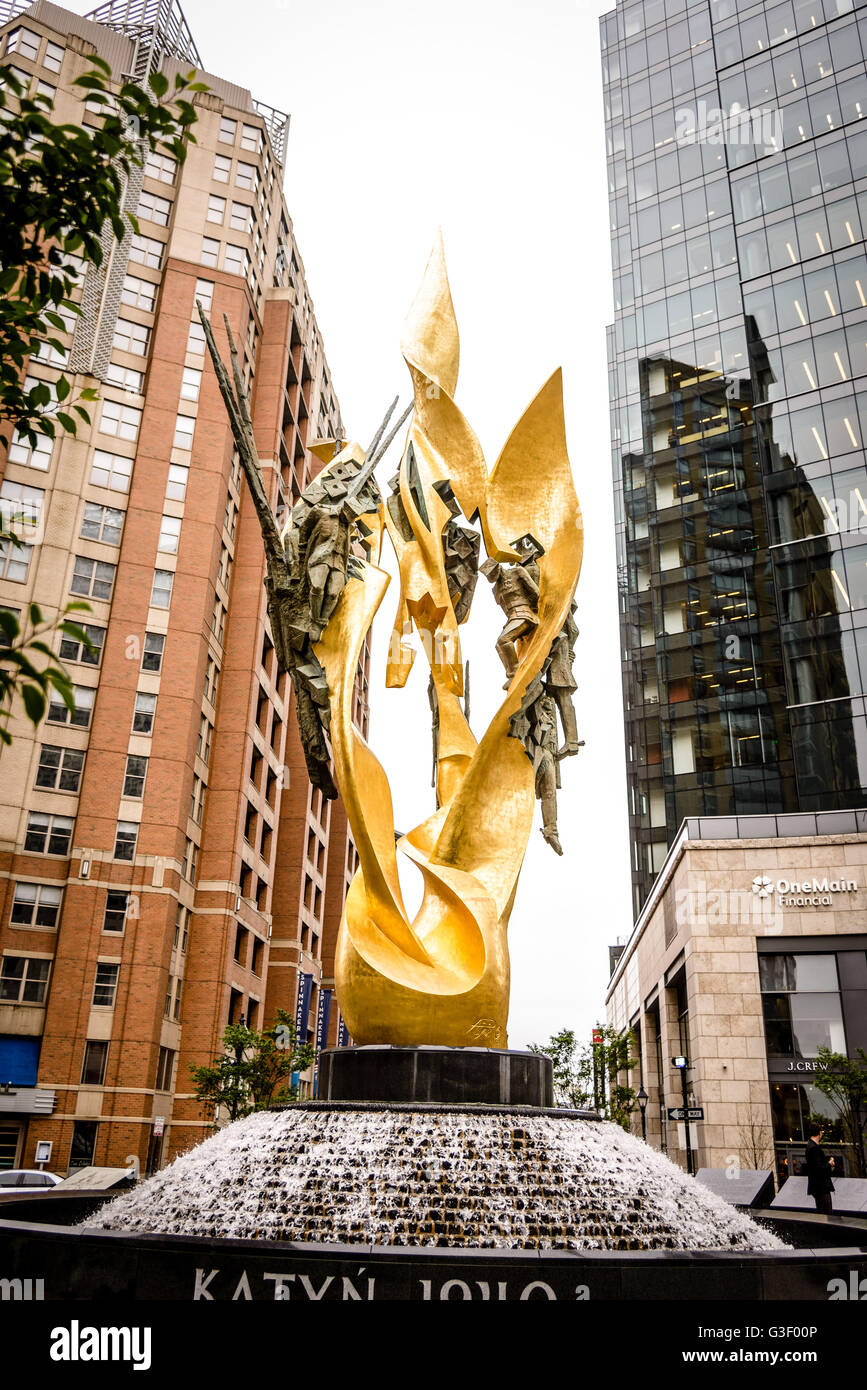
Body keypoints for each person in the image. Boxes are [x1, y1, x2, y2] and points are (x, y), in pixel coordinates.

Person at [804, 1125, 835, 1216]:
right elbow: (818, 1169)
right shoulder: (813, 1148)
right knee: (826, 1214)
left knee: (824, 1213)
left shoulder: (811, 1146)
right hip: (820, 1187)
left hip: (818, 1187)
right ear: (819, 1133)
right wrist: (829, 1163)